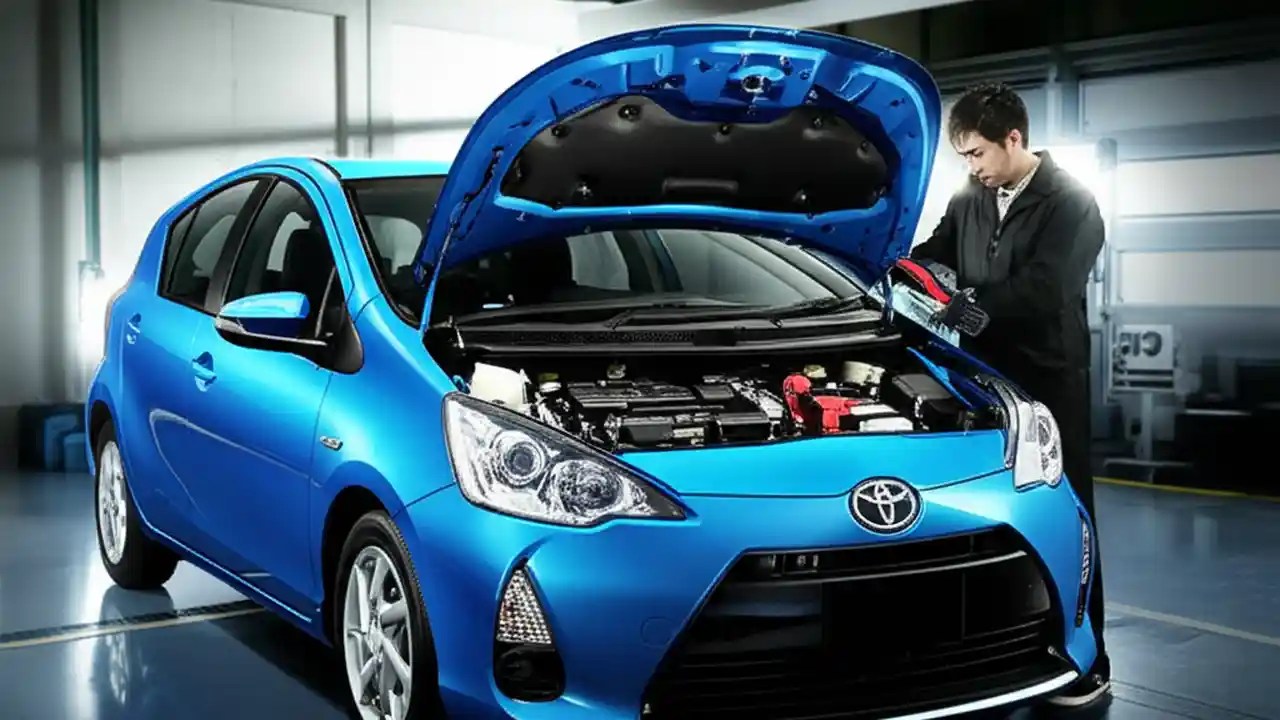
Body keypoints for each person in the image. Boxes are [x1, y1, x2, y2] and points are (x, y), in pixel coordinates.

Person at [911, 81, 1110, 708]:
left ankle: (1088, 658)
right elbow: (936, 252)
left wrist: (969, 311)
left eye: (975, 153)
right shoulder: (972, 194)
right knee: (981, 515)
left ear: (1013, 139)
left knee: (1069, 515)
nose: (970, 167)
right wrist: (895, 269)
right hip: (979, 380)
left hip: (1048, 381)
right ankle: (987, 655)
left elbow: (1047, 289)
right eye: (964, 157)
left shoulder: (1073, 203)